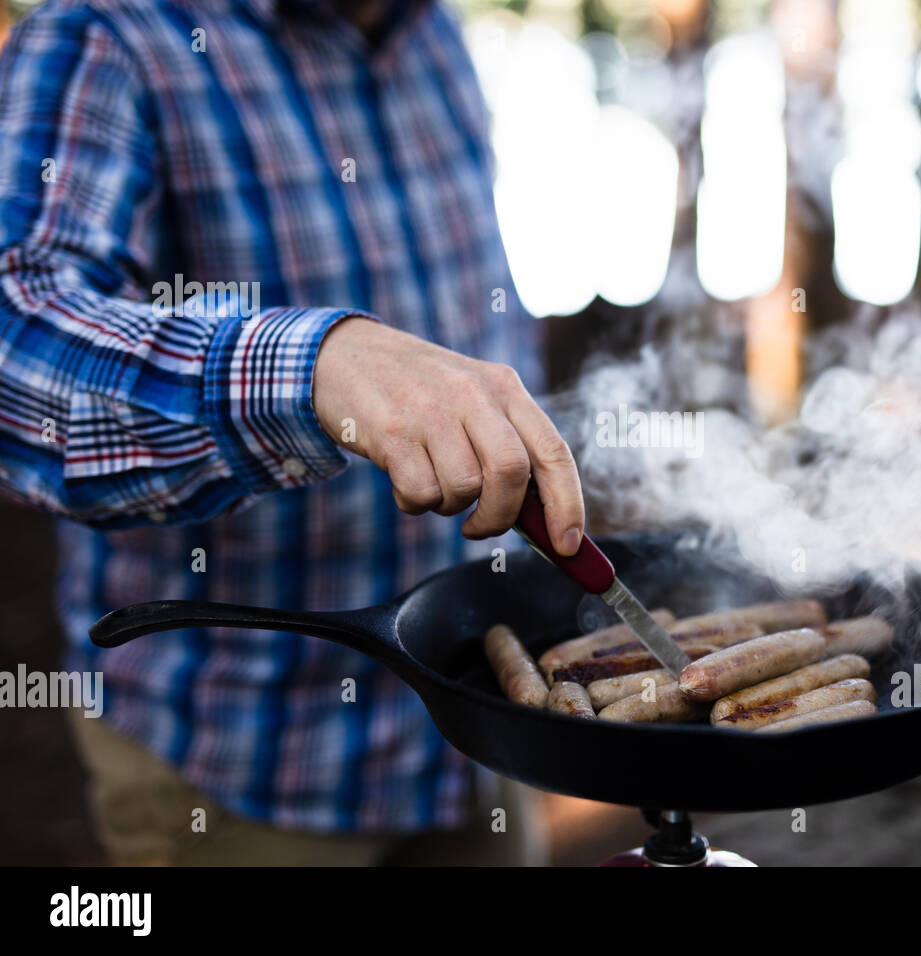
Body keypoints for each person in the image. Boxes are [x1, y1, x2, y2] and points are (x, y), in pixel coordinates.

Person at [0, 0, 585, 864]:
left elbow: (473, 313)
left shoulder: (434, 32)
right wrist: (312, 370)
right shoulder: (104, 31)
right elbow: (17, 343)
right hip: (242, 759)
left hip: (466, 733)